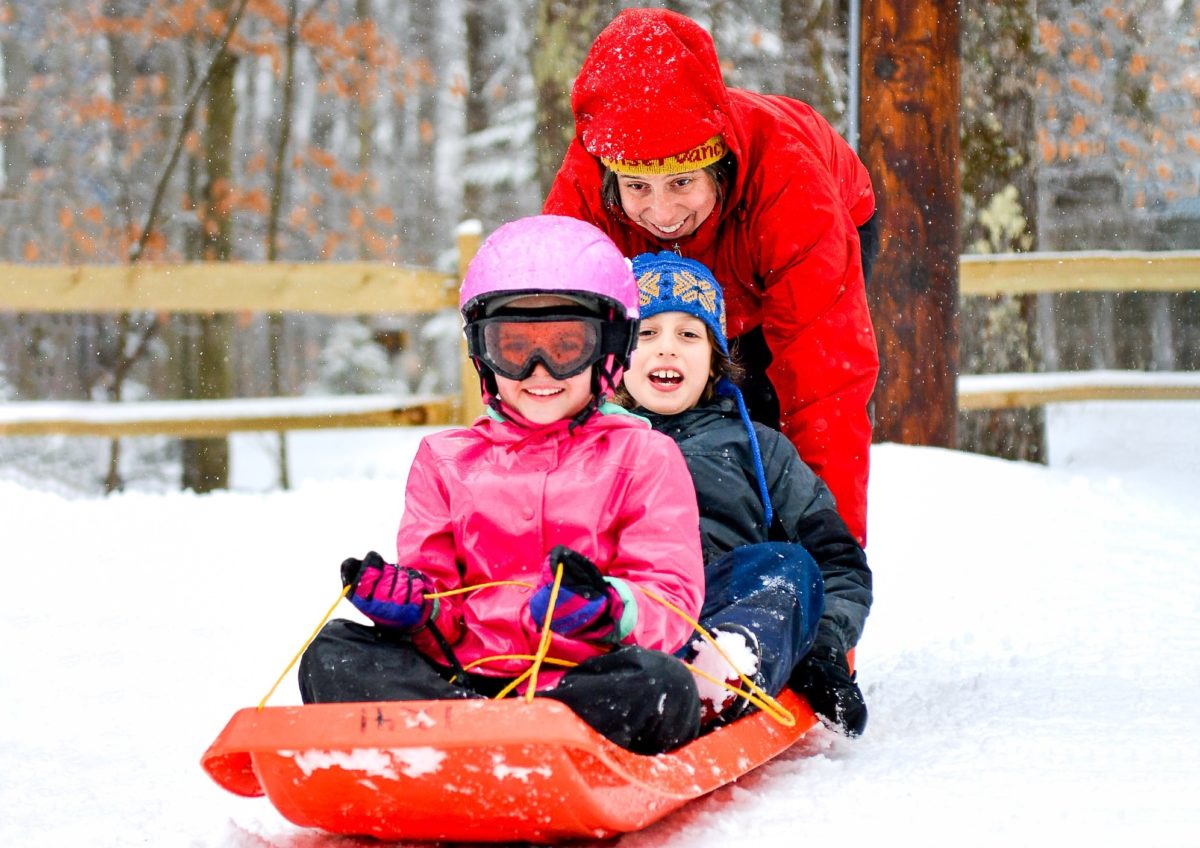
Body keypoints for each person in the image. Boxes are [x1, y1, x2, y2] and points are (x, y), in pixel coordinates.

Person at [298, 215, 706, 755]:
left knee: (662, 686)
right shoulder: (446, 459)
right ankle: (468, 732)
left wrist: (607, 609)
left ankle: (535, 737)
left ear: (608, 349)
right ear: (484, 354)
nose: (539, 371)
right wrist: (416, 609)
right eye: (514, 348)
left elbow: (670, 595)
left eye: (565, 347)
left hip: (582, 685)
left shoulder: (644, 455)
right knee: (333, 653)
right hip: (462, 683)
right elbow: (440, 596)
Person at [544, 7, 880, 546]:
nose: (662, 214)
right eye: (637, 187)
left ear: (718, 163)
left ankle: (766, 573)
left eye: (681, 182)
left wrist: (829, 579)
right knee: (647, 406)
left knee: (758, 419)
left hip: (794, 246)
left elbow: (827, 393)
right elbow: (555, 357)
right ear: (610, 177)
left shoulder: (791, 186)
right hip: (684, 282)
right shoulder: (584, 193)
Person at [616, 251, 873, 736]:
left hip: (719, 609)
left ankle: (719, 675)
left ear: (715, 357)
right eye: (646, 333)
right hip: (626, 607)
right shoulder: (590, 441)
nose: (666, 349)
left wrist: (824, 643)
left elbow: (837, 562)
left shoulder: (759, 448)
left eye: (689, 335)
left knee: (786, 567)